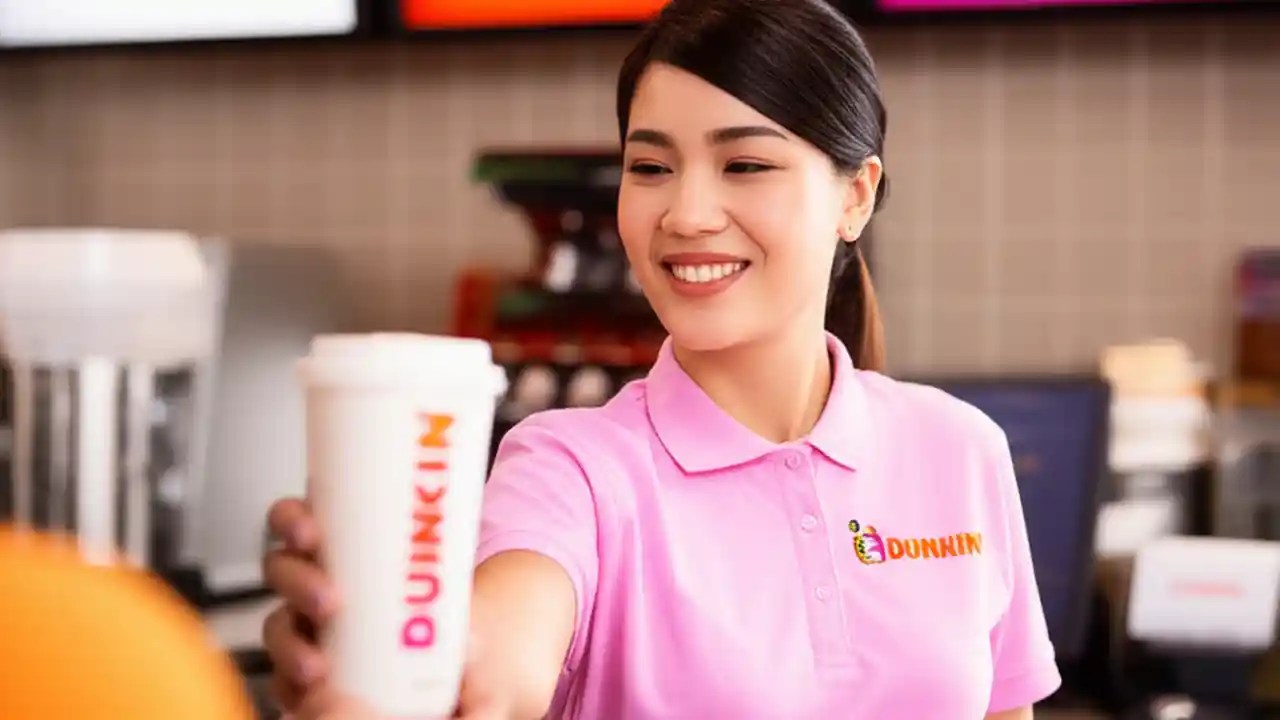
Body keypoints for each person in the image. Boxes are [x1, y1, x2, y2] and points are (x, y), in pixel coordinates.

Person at [262, 0, 1062, 717]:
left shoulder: (959, 449)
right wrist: (391, 661)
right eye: (650, 167)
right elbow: (499, 659)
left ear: (854, 197)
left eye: (744, 164)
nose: (685, 213)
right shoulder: (568, 468)